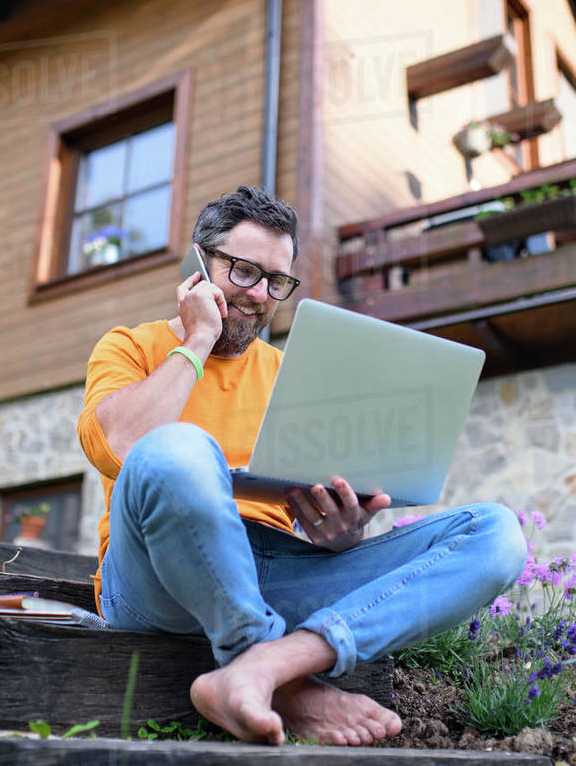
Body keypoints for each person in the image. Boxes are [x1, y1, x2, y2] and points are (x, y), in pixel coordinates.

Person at [77, 185, 526, 746]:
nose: (260, 295)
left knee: (496, 534)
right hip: (152, 581)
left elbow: (314, 514)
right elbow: (121, 446)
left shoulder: (293, 374)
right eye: (242, 271)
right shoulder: (129, 347)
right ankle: (289, 686)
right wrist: (198, 339)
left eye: (276, 281)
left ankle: (267, 667)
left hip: (274, 571)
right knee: (179, 449)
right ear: (199, 263)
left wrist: (340, 534)